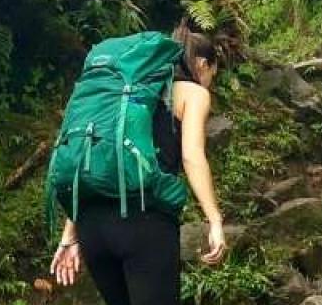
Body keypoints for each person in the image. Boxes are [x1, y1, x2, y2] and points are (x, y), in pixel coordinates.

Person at [49, 25, 228, 305]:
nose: (209, 83)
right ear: (203, 65)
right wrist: (215, 220)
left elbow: (98, 161)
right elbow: (192, 155)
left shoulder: (121, 93)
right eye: (211, 76)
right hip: (144, 224)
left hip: (91, 226)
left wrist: (69, 237)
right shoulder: (192, 93)